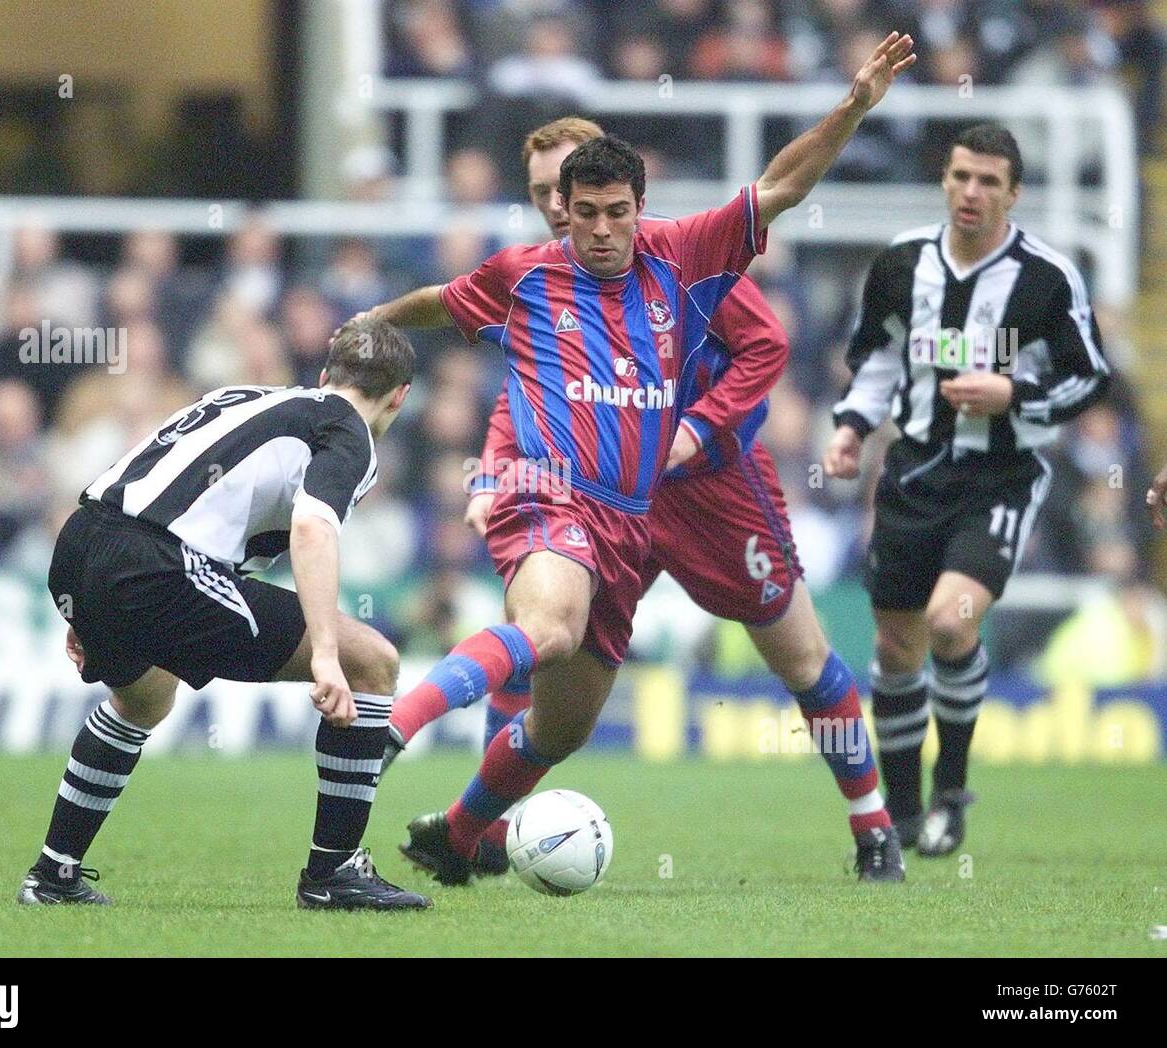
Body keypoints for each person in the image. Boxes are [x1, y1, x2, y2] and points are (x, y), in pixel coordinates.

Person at [355, 33, 917, 886]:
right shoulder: (533, 275)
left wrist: (697, 429)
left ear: (631, 198)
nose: (568, 213)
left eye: (589, 199)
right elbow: (518, 380)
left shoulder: (688, 258)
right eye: (552, 197)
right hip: (588, 499)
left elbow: (767, 339)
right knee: (550, 653)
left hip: (706, 487)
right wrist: (495, 467)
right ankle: (469, 830)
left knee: (798, 656)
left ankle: (874, 827)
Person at [18, 317, 432, 911]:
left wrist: (93, 604)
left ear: (324, 374)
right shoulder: (349, 431)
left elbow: (154, 481)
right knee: (372, 661)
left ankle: (52, 875)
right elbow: (313, 530)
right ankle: (334, 873)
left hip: (82, 541)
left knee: (145, 695)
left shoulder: (243, 397)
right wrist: (324, 652)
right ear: (400, 395)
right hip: (154, 563)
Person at [824, 123, 1112, 856]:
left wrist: (1012, 391)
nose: (971, 193)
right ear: (945, 181)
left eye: (988, 181)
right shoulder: (900, 265)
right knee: (896, 648)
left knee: (951, 623)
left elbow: (1089, 377)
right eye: (960, 177)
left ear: (1014, 193)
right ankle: (903, 813)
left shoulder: (1047, 278)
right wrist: (853, 426)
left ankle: (952, 790)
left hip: (1000, 478)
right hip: (913, 474)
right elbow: (880, 356)